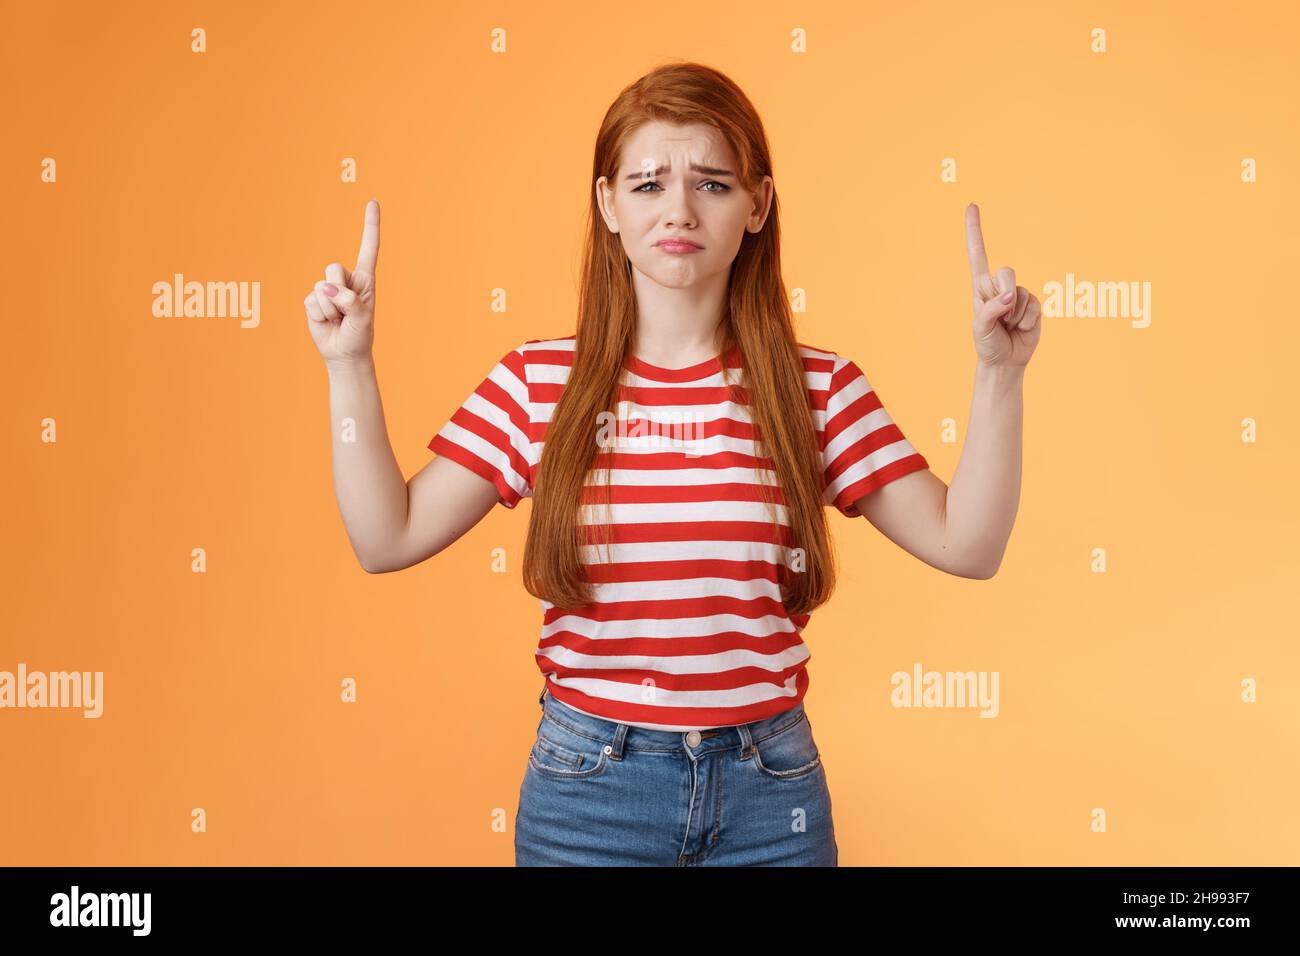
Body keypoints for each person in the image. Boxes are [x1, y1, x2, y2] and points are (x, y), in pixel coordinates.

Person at [304, 62, 1040, 867]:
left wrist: (1000, 375)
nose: (679, 210)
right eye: (648, 184)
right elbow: (386, 538)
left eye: (713, 184)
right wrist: (349, 365)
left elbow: (969, 546)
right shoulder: (536, 384)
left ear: (757, 205)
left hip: (772, 794)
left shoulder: (818, 390)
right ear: (607, 204)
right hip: (588, 796)